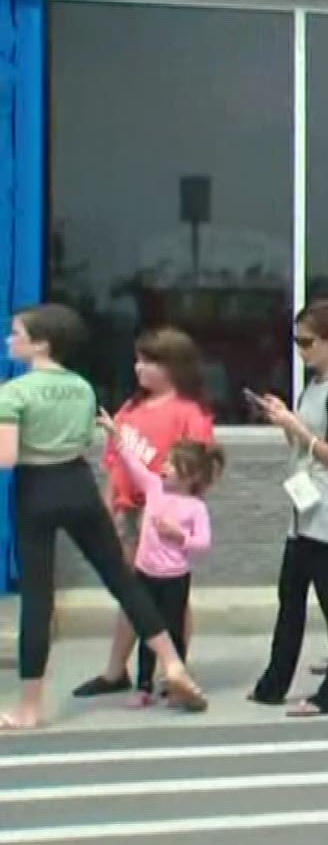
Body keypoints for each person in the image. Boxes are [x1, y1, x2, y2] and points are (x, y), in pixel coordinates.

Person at [2, 303, 209, 730]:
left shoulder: (14, 392)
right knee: (122, 579)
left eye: (17, 332)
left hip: (36, 487)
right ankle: (172, 663)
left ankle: (30, 705)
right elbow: (86, 440)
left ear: (41, 343)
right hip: (77, 483)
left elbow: (6, 457)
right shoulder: (83, 388)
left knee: (38, 597)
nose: (10, 339)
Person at [248, 301, 328, 717]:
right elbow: (303, 447)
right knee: (291, 596)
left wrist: (294, 426)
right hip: (303, 503)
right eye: (296, 341)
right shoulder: (315, 384)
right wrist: (285, 422)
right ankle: (274, 682)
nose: (300, 350)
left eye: (306, 342)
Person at [71, 328, 215, 700]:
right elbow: (115, 464)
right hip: (128, 510)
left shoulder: (189, 412)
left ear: (173, 366)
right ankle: (118, 669)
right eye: (138, 359)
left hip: (161, 514)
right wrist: (109, 507)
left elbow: (201, 467)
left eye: (150, 361)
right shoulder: (130, 409)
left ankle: (171, 668)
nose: (140, 368)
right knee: (133, 590)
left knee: (170, 594)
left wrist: (180, 512)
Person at [98, 412, 222, 705]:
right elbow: (131, 462)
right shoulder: (154, 487)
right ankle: (143, 686)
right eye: (165, 462)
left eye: (171, 465)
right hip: (146, 572)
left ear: (190, 476)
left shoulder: (194, 508)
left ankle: (172, 681)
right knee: (148, 630)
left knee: (173, 630)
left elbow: (204, 544)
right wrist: (115, 434)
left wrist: (180, 536)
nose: (163, 467)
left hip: (175, 576)